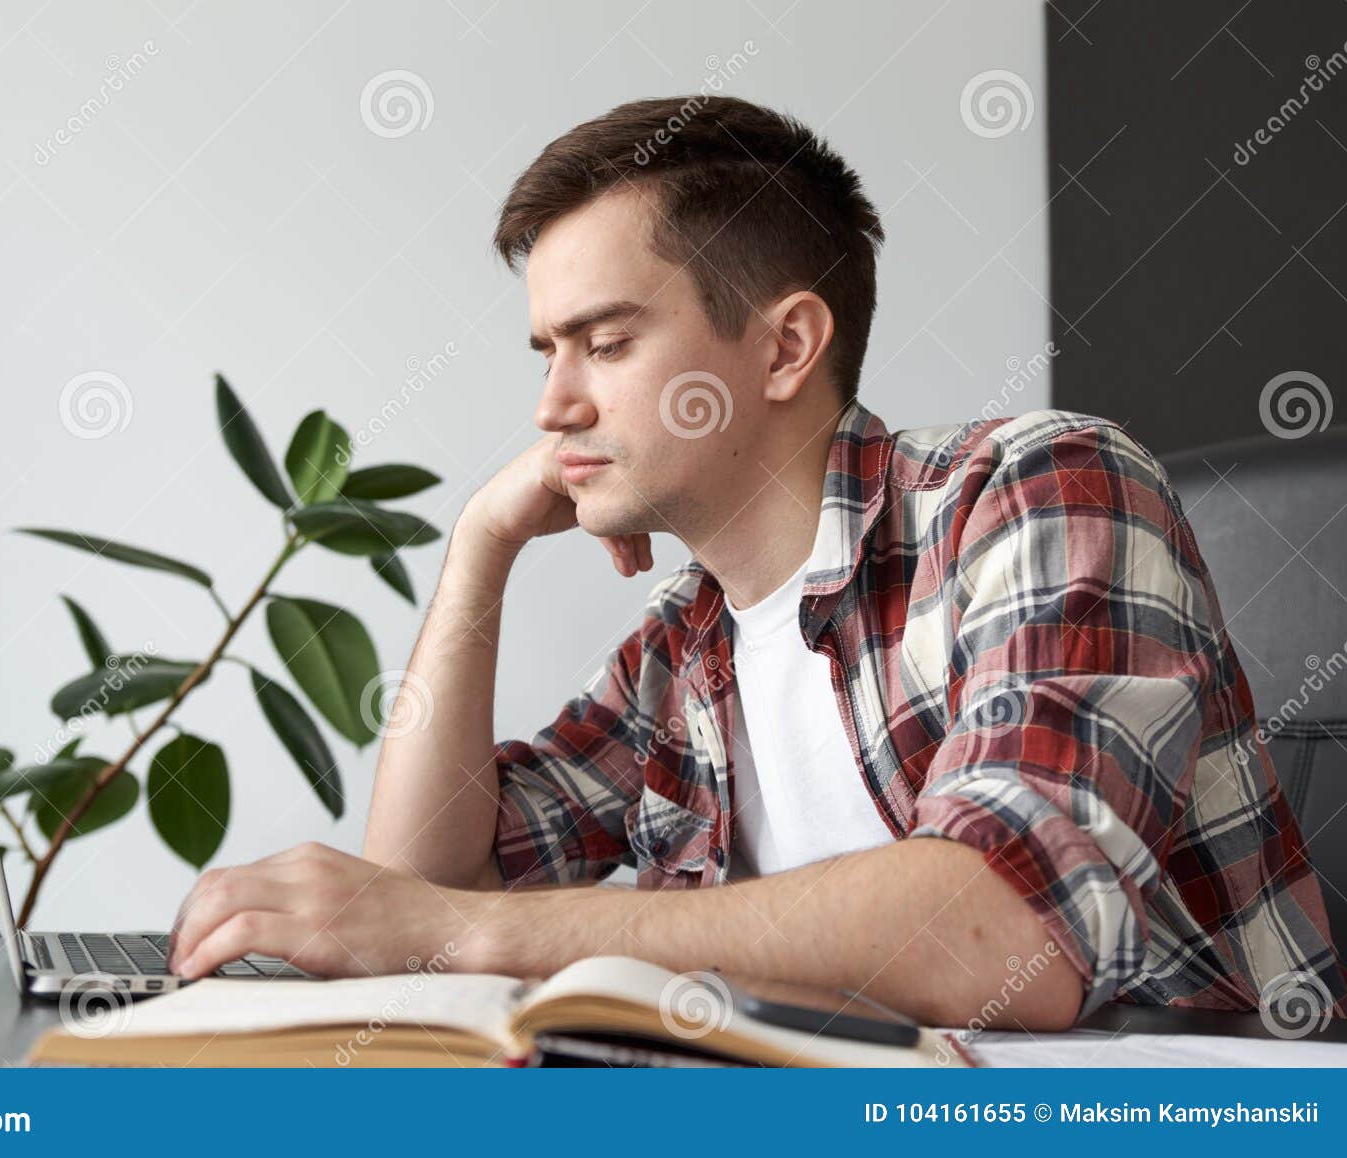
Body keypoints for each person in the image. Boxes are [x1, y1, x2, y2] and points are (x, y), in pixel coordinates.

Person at [167, 95, 1344, 1030]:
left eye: (605, 343)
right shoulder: (685, 648)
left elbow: (1007, 930)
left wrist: (465, 936)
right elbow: (429, 880)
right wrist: (481, 547)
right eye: (545, 353)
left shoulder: (1036, 488)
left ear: (785, 348)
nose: (552, 404)